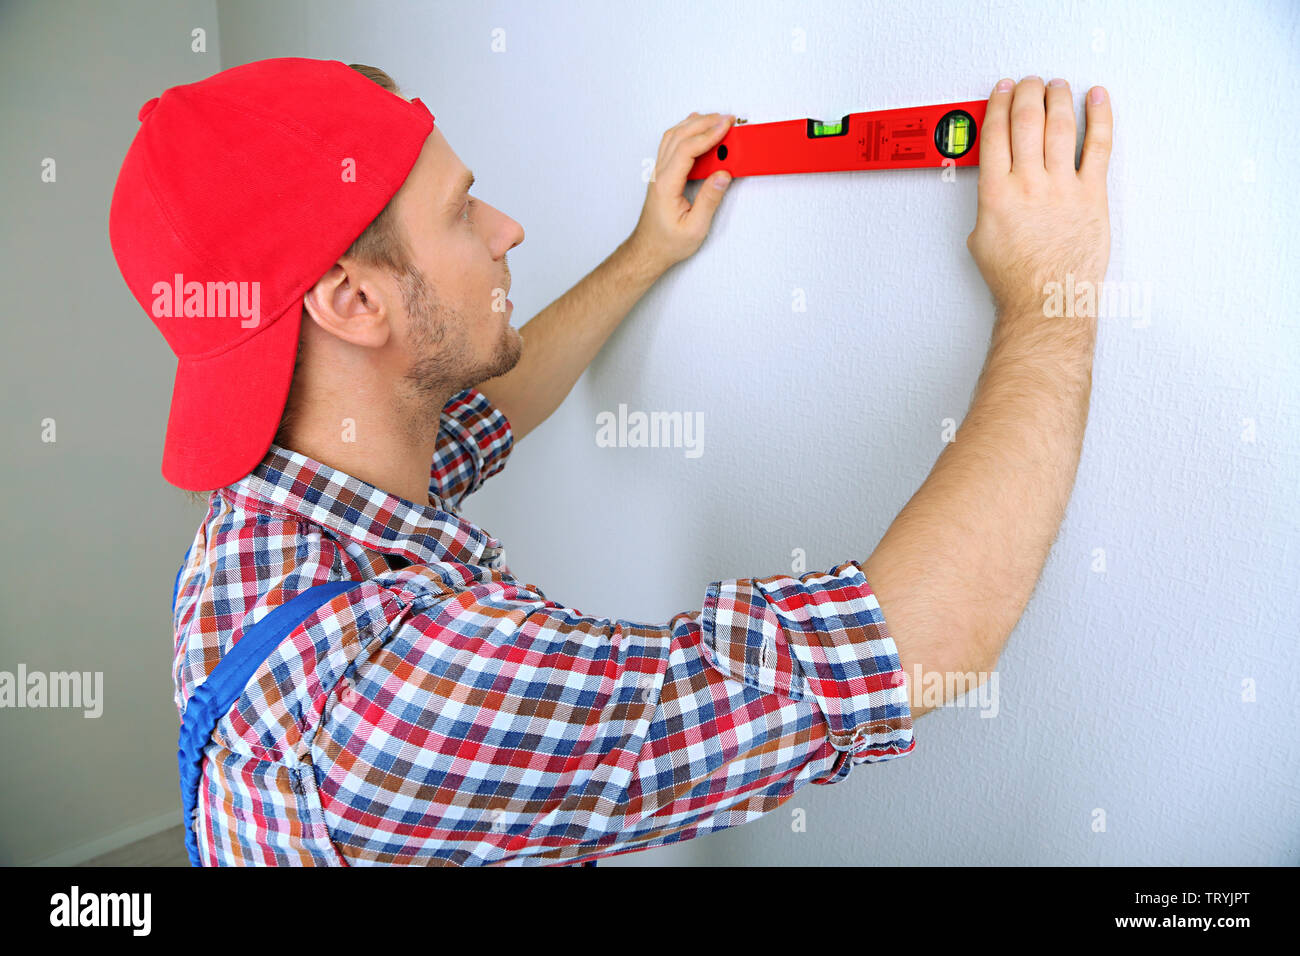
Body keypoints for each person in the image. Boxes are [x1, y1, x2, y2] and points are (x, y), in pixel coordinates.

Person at [110, 59, 1110, 865]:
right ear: (355, 304)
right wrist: (1047, 297)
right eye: (462, 211)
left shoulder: (276, 503)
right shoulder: (391, 698)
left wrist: (646, 251)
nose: (508, 229)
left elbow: (486, 406)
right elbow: (919, 642)